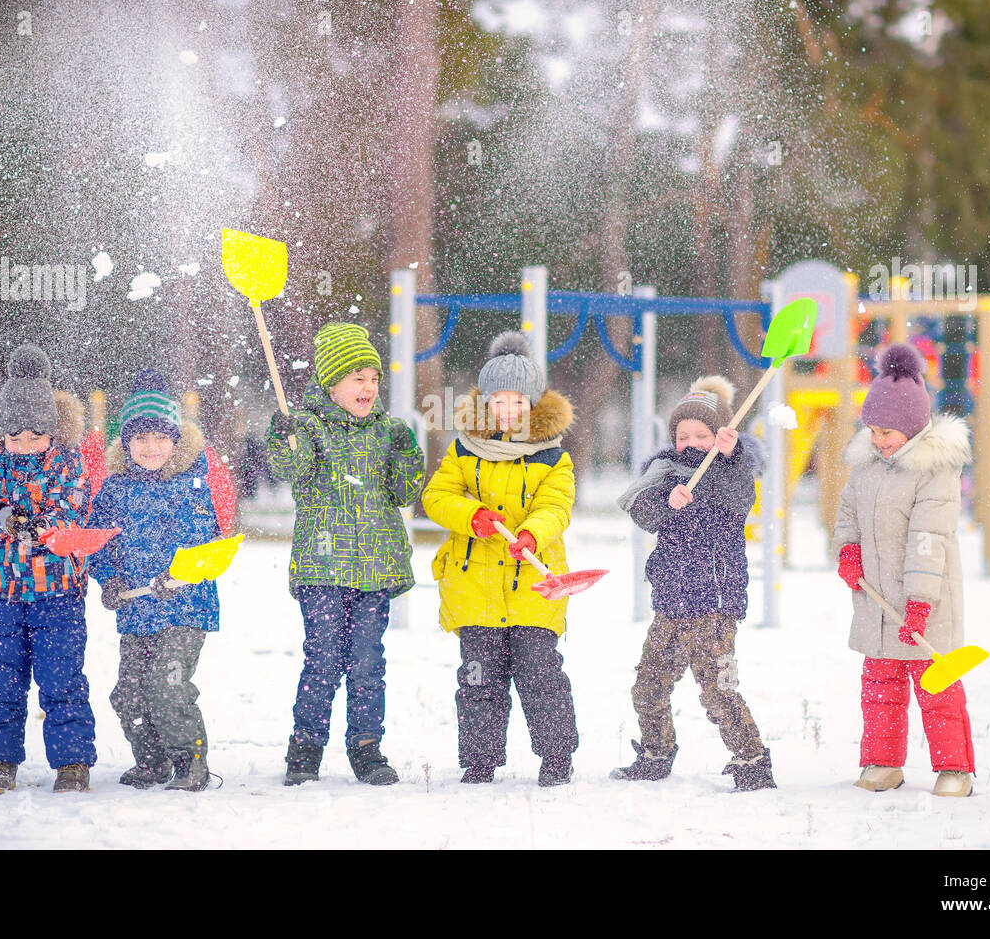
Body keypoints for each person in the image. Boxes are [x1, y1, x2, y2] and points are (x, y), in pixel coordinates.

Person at [268, 322, 424, 786]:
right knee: (322, 659)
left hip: (374, 572)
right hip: (323, 567)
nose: (369, 388)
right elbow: (289, 469)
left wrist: (407, 452)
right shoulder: (310, 428)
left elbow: (404, 491)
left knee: (367, 661)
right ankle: (305, 748)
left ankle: (366, 747)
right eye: (357, 378)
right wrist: (282, 436)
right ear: (331, 385)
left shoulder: (385, 431)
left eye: (374, 378)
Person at [421, 331, 580, 787]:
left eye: (518, 403)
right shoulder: (462, 449)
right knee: (478, 677)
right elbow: (438, 496)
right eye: (499, 403)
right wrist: (472, 516)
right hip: (474, 585)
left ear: (535, 405)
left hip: (532, 582)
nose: (508, 413)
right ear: (484, 405)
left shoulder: (553, 457)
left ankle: (556, 755)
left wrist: (531, 532)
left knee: (539, 672)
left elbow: (557, 506)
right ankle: (479, 758)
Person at [613, 376, 775, 791]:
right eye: (683, 435)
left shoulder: (731, 471)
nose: (692, 442)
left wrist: (730, 455)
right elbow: (642, 510)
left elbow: (740, 499)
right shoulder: (665, 472)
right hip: (671, 599)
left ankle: (752, 760)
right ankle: (656, 752)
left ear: (720, 434)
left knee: (717, 691)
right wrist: (667, 500)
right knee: (647, 686)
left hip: (715, 603)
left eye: (702, 434)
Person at [833, 342, 976, 797]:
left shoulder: (935, 472)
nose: (878, 440)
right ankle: (882, 762)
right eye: (872, 430)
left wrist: (919, 602)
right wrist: (848, 549)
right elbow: (847, 513)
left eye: (887, 431)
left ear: (913, 427)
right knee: (879, 685)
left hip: (924, 602)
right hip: (877, 603)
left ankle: (955, 769)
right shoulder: (867, 467)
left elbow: (927, 540)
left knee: (937, 688)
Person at [88, 369, 235, 792]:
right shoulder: (115, 489)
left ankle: (190, 763)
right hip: (137, 611)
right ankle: (152, 763)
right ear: (126, 442)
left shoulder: (193, 483)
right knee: (129, 696)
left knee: (167, 689)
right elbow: (100, 543)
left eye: (160, 437)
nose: (150, 448)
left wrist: (179, 575)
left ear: (176, 440)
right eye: (139, 438)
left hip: (185, 607)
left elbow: (204, 537)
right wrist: (110, 579)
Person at [0, 344, 95, 794]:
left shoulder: (68, 463)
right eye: (14, 439)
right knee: (0, 680)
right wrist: (0, 520)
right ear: (1, 435)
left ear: (53, 432)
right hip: (0, 594)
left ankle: (72, 763)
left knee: (62, 679)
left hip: (58, 594)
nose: (24, 447)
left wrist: (42, 526)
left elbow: (72, 508)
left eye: (35, 437)